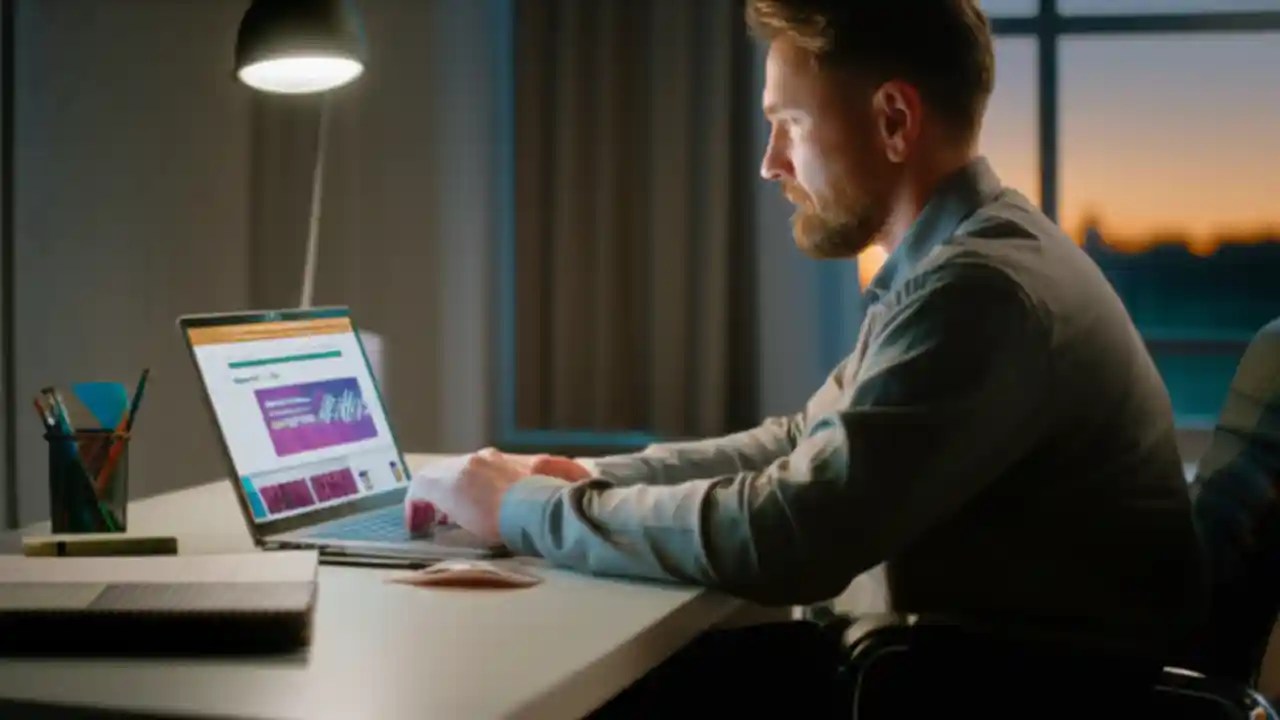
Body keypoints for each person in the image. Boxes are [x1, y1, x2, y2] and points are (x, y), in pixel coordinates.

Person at [410, 0, 1206, 707]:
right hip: (952, 667)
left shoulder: (982, 292)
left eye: (789, 123)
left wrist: (525, 512)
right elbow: (803, 441)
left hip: (981, 690)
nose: (770, 161)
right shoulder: (965, 259)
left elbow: (788, 536)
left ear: (895, 119)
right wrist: (587, 477)